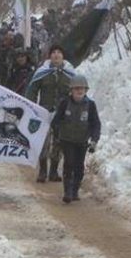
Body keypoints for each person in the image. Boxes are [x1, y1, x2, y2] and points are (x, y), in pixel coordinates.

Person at [25, 43, 76, 182]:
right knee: (43, 141)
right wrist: (32, 107)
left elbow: (77, 93)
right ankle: (42, 170)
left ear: (63, 56)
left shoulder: (71, 74)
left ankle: (54, 170)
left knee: (59, 142)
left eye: (59, 52)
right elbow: (32, 90)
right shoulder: (42, 72)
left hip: (63, 113)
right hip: (44, 111)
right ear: (50, 56)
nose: (56, 55)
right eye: (54, 52)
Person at [51, 74, 101, 203]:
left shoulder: (90, 105)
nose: (79, 91)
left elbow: (96, 124)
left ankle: (75, 190)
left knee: (79, 166)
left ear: (86, 90)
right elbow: (56, 121)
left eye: (82, 88)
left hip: (82, 140)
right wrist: (57, 135)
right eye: (76, 88)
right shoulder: (64, 103)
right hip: (66, 140)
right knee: (69, 163)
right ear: (71, 90)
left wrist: (94, 140)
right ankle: (67, 191)